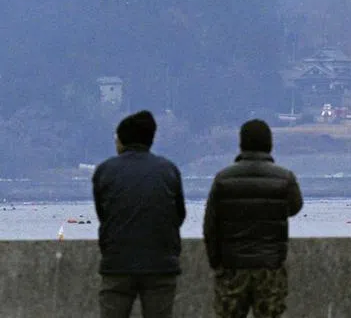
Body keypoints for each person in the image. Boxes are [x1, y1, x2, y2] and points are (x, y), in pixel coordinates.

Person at [204, 118, 304, 318]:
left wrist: (217, 262)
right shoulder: (284, 179)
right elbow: (295, 207)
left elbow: (210, 226)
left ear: (241, 143)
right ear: (269, 144)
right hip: (269, 266)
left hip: (232, 265)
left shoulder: (223, 179)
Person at [92, 109, 186, 318]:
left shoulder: (105, 171)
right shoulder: (168, 170)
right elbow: (178, 215)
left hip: (117, 263)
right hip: (160, 264)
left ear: (122, 141)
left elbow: (103, 214)